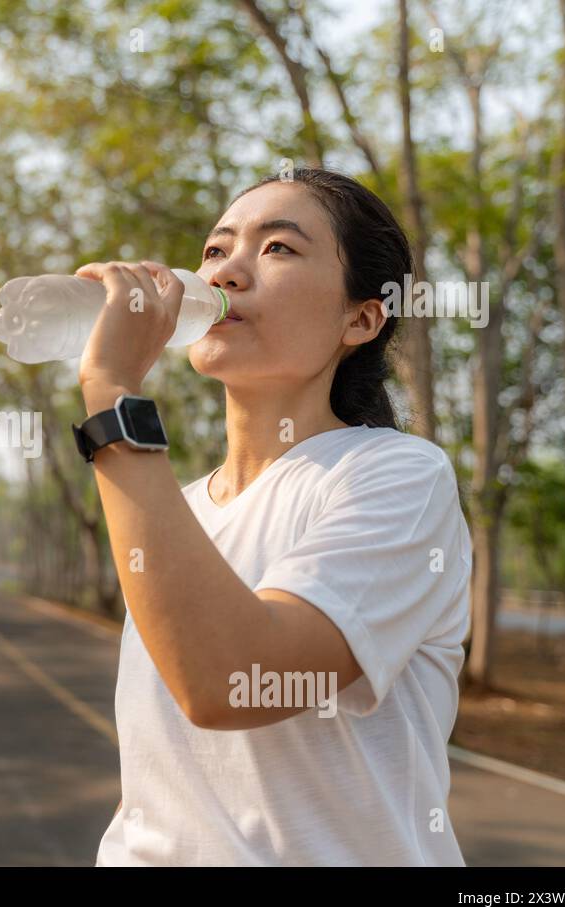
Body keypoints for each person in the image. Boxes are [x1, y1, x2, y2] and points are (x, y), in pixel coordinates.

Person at [77, 167, 471, 866]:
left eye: (278, 248)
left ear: (361, 317)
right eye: (215, 250)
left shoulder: (398, 478)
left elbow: (231, 681)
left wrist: (112, 394)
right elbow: (167, 780)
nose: (226, 272)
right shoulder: (180, 508)